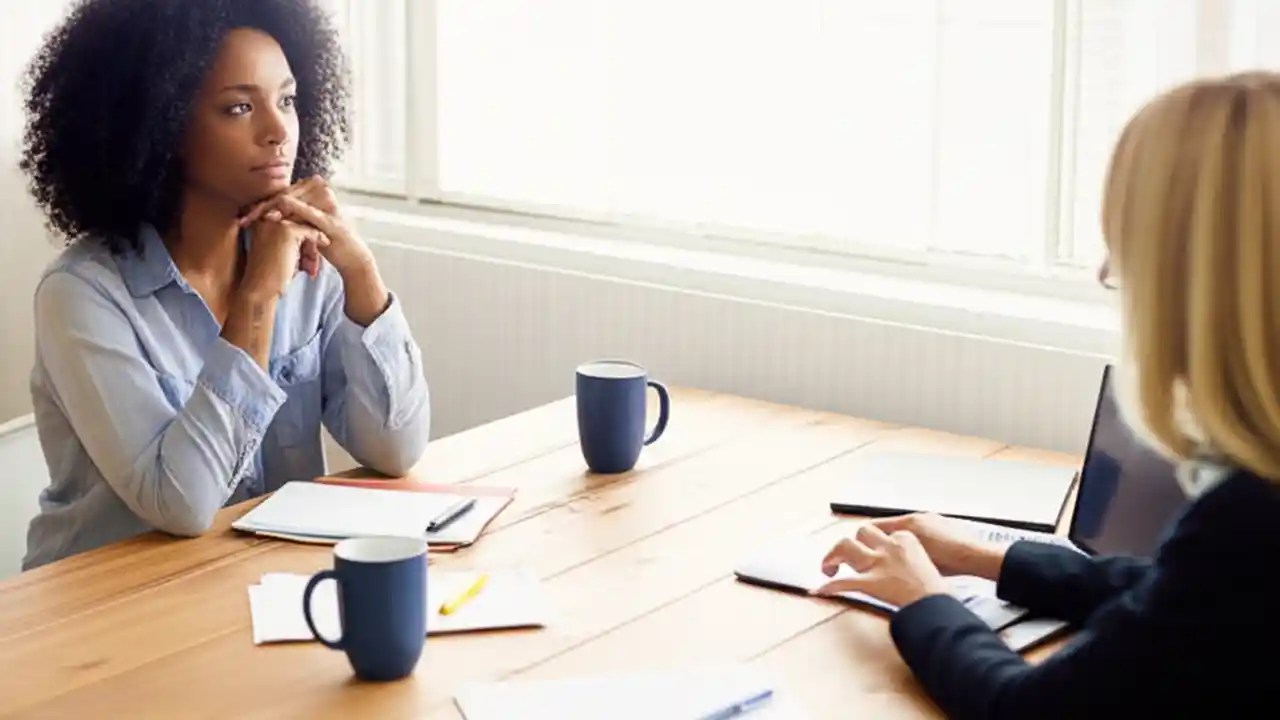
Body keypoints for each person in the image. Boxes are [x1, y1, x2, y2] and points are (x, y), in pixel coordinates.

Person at [816, 72, 1280, 718]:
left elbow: (1028, 712)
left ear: (1191, 284)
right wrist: (985, 557)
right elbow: (1188, 596)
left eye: (1128, 251)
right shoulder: (1249, 529)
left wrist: (924, 602)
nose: (1107, 274)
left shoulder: (1249, 518)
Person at [18, 0, 430, 570]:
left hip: (252, 588)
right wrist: (258, 298)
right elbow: (183, 504)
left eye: (286, 100)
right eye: (239, 107)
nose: (278, 130)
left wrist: (360, 272)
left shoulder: (308, 261)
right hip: (104, 614)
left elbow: (396, 449)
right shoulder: (83, 295)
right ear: (163, 126)